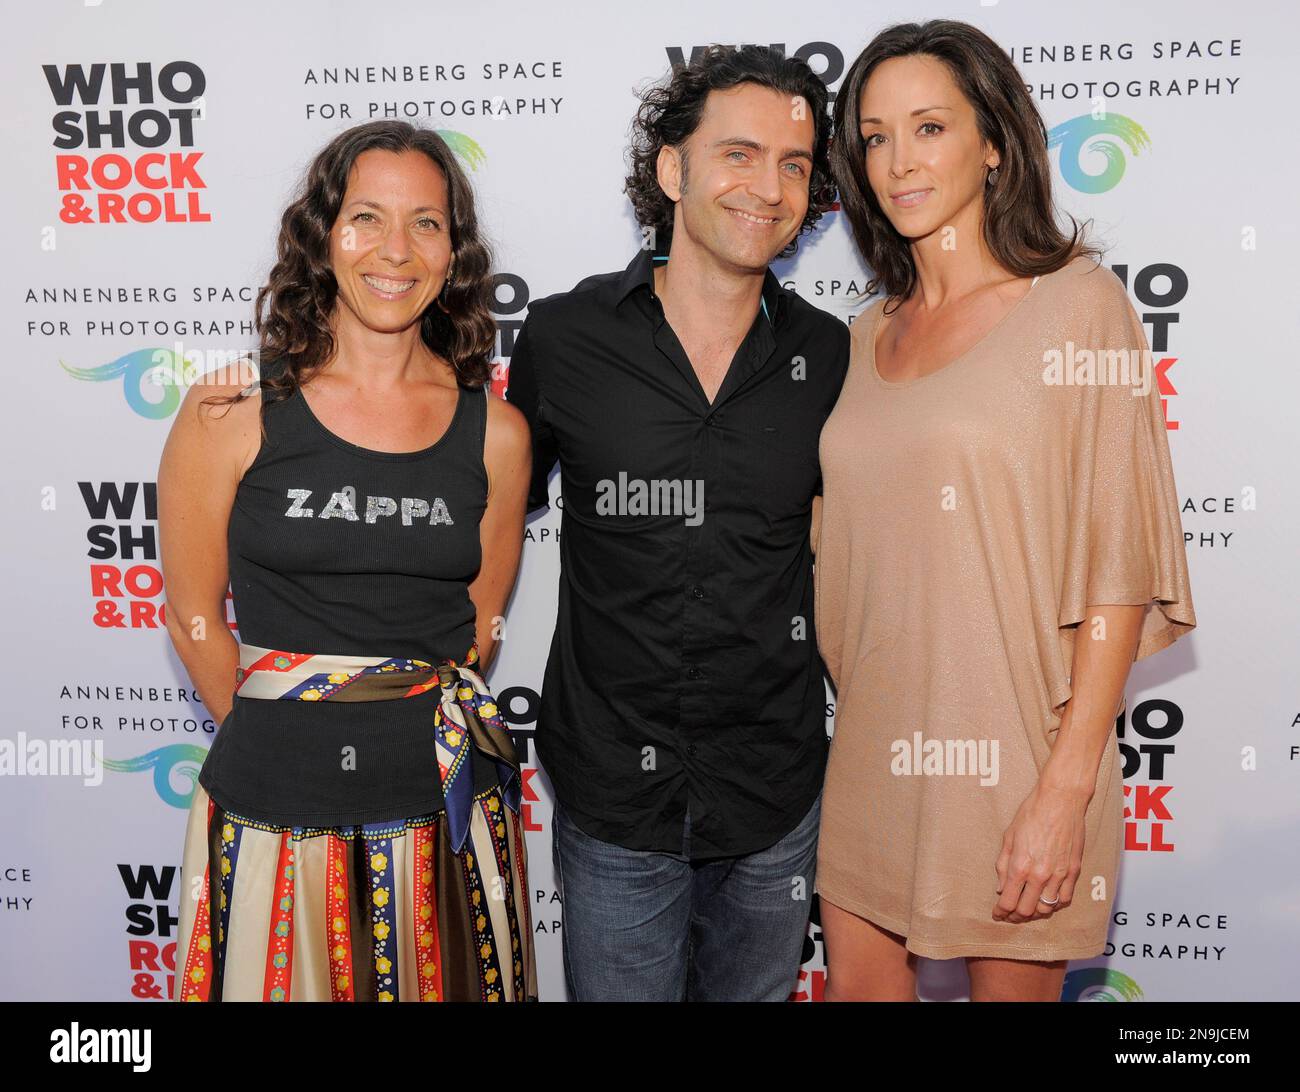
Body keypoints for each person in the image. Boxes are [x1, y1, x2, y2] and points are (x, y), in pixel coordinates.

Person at [814, 20, 1196, 1001]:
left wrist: (1065, 788)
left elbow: (1119, 557)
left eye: (929, 127)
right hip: (868, 749)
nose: (899, 160)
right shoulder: (861, 338)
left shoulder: (1076, 306)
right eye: (874, 134)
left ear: (992, 142)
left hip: (1020, 755)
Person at [160, 120, 536, 1002]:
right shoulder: (231, 411)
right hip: (270, 812)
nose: (394, 250)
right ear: (324, 237)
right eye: (366, 217)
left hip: (444, 815)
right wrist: (289, 723)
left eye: (426, 224)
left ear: (455, 251)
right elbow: (191, 613)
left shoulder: (500, 433)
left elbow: (480, 624)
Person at [506, 45, 849, 1002]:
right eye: (739, 154)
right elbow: (487, 510)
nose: (769, 188)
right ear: (672, 167)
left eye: (793, 164)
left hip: (775, 790)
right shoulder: (565, 337)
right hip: (616, 791)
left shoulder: (828, 355)